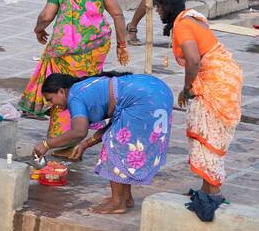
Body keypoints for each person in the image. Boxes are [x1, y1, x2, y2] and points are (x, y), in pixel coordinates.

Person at [20, 0, 130, 142]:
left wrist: (38, 29)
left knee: (63, 92)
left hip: (67, 51)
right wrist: (122, 45)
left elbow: (46, 16)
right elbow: (118, 14)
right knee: (85, 88)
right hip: (96, 48)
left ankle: (62, 141)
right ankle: (80, 128)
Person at [33, 71, 174, 214]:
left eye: (51, 99)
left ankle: (117, 202)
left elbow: (79, 132)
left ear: (61, 91)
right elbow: (115, 123)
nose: (53, 105)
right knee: (118, 139)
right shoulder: (82, 88)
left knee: (115, 148)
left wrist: (47, 144)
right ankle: (125, 197)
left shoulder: (74, 97)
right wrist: (85, 145)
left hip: (146, 98)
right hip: (157, 89)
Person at [158, 0, 244, 221]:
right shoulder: (189, 18)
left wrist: (187, 88)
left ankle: (213, 192)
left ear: (166, 6)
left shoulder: (183, 25)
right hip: (221, 76)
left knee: (208, 133)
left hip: (216, 81)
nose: (158, 12)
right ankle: (207, 188)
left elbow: (194, 60)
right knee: (206, 131)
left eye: (159, 7)